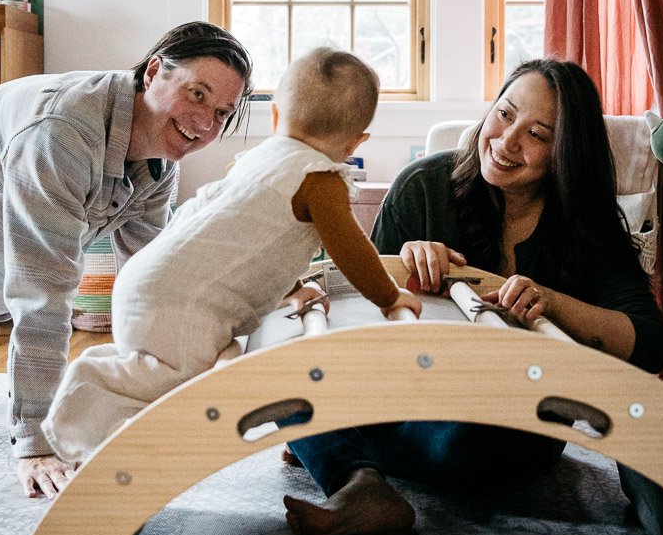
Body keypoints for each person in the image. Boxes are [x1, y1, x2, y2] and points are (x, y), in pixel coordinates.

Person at [0, 20, 253, 498]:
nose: (205, 123)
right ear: (154, 71)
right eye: (196, 94)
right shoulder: (63, 131)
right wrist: (37, 441)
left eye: (222, 112)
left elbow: (158, 278)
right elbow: (42, 294)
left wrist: (224, 336)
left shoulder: (157, 168)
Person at [283, 58, 663, 535]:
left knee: (461, 445)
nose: (507, 142)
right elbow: (360, 330)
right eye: (504, 115)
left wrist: (550, 301)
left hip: (506, 421)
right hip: (407, 396)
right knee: (285, 373)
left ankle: (333, 449)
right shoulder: (422, 187)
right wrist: (404, 267)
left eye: (538, 134)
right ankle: (360, 483)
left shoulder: (584, 222)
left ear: (566, 151)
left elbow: (650, 344)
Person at [44, 48, 422, 462]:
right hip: (182, 305)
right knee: (183, 392)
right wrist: (389, 297)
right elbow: (351, 248)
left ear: (276, 117)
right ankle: (97, 423)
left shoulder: (258, 161)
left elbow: (247, 245)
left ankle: (104, 380)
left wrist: (294, 288)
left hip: (147, 279)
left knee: (155, 365)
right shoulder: (322, 180)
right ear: (355, 143)